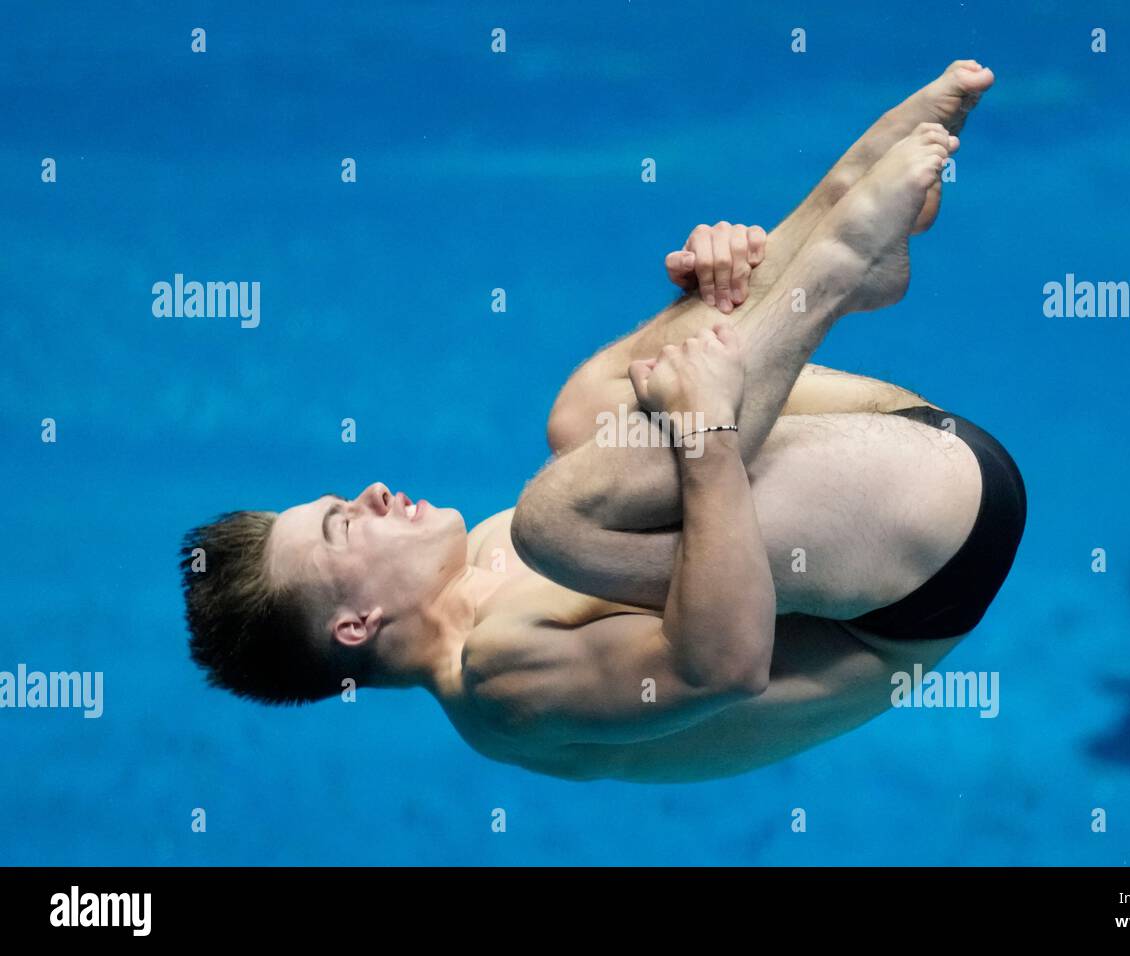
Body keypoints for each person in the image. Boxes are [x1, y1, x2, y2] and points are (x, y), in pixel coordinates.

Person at [181, 61, 1025, 782]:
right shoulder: (496, 685)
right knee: (557, 517)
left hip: (901, 446)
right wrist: (705, 440)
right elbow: (725, 668)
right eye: (340, 528)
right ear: (355, 626)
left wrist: (702, 301)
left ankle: (832, 235)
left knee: (580, 416)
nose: (367, 492)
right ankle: (836, 266)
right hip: (927, 559)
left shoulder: (481, 561)